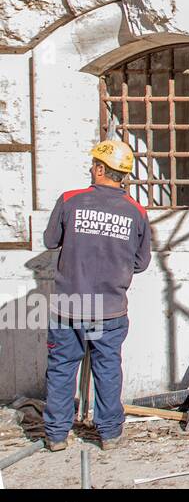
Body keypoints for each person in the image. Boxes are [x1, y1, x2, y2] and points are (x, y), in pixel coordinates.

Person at [42, 139, 151, 452]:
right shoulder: (137, 211)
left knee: (62, 368)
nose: (91, 168)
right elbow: (141, 263)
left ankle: (56, 435)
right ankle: (109, 434)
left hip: (68, 307)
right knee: (107, 369)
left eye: (94, 164)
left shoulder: (70, 200)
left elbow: (51, 241)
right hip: (110, 308)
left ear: (102, 169)